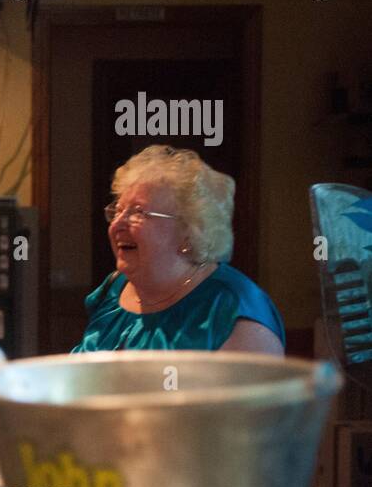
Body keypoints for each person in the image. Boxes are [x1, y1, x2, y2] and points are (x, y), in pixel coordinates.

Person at [72, 144, 284, 355]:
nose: (117, 224)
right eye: (117, 211)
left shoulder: (234, 316)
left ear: (189, 231)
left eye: (139, 212)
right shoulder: (113, 289)